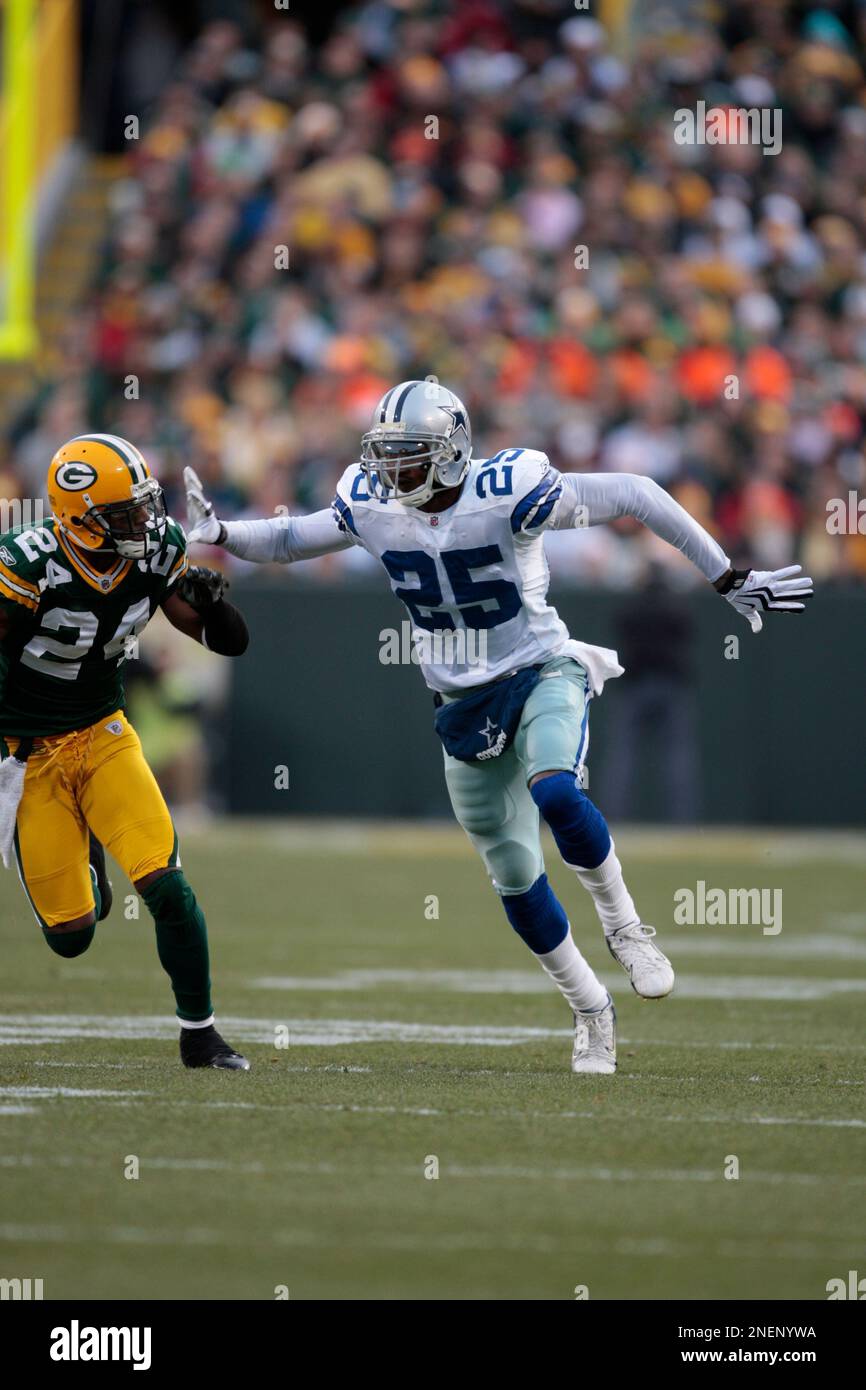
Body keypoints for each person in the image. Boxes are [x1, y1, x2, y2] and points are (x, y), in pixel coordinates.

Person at [185, 382, 813, 1074]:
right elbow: (286, 537)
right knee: (515, 877)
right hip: (458, 706)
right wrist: (221, 535)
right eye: (387, 457)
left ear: (452, 454)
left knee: (555, 790)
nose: (392, 474)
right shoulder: (372, 504)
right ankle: (590, 1010)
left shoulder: (511, 488)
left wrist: (726, 578)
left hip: (541, 669)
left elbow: (636, 491)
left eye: (410, 457)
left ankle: (626, 926)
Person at [0, 433, 251, 1070]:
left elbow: (226, 643)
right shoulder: (25, 564)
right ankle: (83, 852)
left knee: (166, 884)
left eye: (145, 505)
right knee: (71, 938)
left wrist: (213, 603)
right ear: (80, 519)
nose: (145, 521)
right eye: (125, 513)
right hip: (27, 756)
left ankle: (201, 1034)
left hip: (104, 732)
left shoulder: (153, 549)